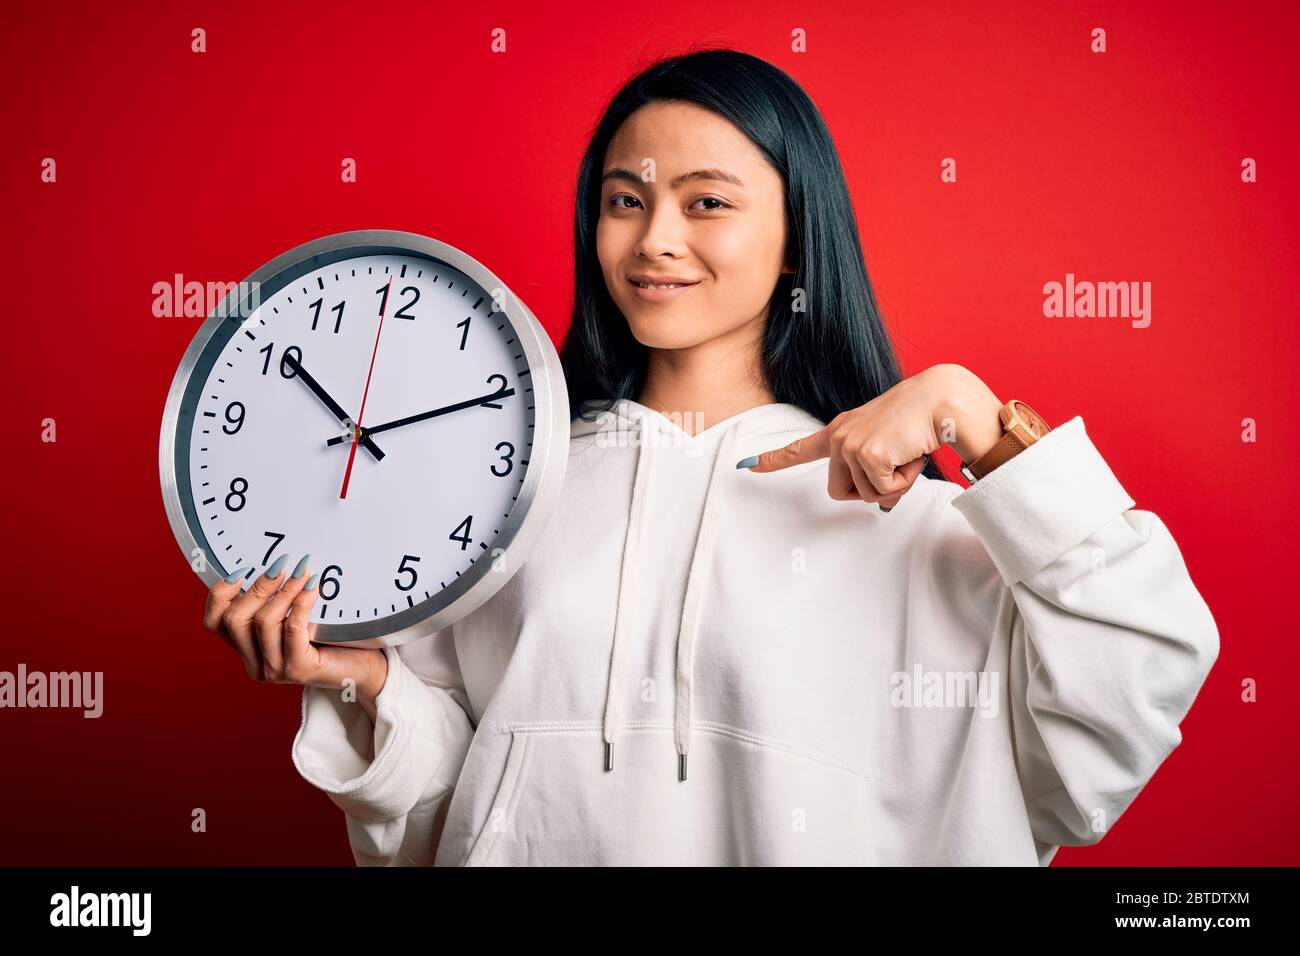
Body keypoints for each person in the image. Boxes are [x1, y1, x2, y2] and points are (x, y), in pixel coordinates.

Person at [202, 48, 1219, 866]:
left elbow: (1132, 688)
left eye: (707, 202)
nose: (654, 239)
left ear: (795, 239)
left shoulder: (921, 524)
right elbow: (442, 815)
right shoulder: (503, 495)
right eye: (624, 200)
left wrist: (980, 419)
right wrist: (365, 684)